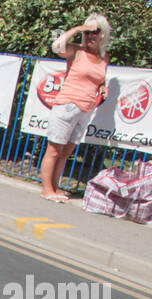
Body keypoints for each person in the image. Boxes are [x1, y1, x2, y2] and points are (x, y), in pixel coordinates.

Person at [40, 13, 111, 203]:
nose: (90, 35)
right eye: (87, 32)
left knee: (65, 152)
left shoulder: (104, 58)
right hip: (67, 106)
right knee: (54, 149)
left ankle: (55, 188)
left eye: (94, 31)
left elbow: (99, 78)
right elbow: (57, 46)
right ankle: (47, 189)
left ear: (102, 34)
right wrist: (78, 29)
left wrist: (103, 87)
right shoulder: (77, 51)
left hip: (86, 109)